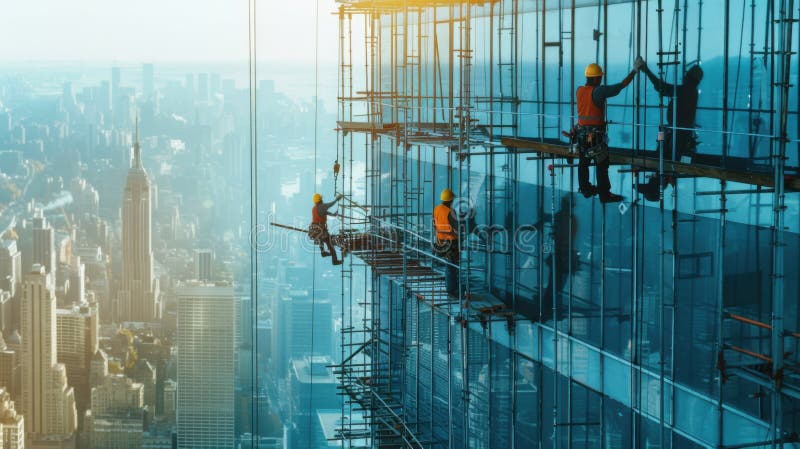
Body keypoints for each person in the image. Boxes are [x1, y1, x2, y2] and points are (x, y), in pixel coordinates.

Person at [574, 59, 644, 203]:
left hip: (582, 134)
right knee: (602, 163)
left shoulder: (579, 90)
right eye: (600, 77)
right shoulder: (598, 91)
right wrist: (635, 70)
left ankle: (586, 189)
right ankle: (605, 195)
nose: (601, 79)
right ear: (595, 78)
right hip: (595, 136)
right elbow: (621, 86)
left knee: (583, 163)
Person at [637, 60, 704, 201]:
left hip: (673, 133)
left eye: (686, 76)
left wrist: (647, 70)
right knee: (662, 142)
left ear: (689, 78)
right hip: (673, 133)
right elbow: (660, 146)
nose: (683, 78)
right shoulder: (690, 91)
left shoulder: (686, 90)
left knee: (662, 143)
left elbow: (662, 87)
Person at [433, 188, 460, 298]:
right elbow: (457, 227)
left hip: (441, 240)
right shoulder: (450, 212)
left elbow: (435, 224)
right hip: (451, 242)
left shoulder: (436, 209)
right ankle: (451, 290)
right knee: (452, 266)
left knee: (449, 265)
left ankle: (451, 288)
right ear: (450, 200)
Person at [310, 192, 344, 265]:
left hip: (315, 229)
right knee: (330, 243)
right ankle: (334, 261)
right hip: (320, 229)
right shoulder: (321, 206)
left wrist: (333, 214)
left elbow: (324, 212)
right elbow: (330, 205)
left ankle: (323, 252)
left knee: (320, 239)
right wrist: (336, 199)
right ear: (320, 200)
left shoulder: (315, 208)